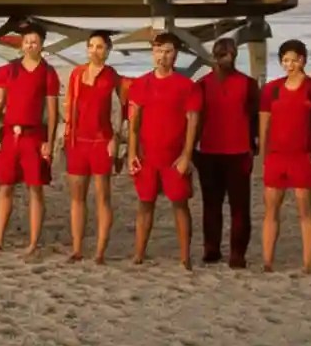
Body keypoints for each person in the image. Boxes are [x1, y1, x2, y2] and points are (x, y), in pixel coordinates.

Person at [126, 32, 202, 269]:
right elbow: (134, 123)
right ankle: (139, 253)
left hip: (174, 157)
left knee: (179, 204)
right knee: (145, 203)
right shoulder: (140, 84)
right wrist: (131, 154)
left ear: (175, 54)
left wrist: (186, 156)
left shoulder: (187, 86)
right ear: (153, 53)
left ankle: (184, 256)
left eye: (167, 51)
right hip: (148, 156)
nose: (162, 56)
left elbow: (193, 122)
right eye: (158, 51)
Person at [259, 39, 311, 274]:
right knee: (271, 210)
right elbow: (264, 122)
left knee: (304, 210)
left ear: (303, 60)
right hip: (276, 157)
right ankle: (267, 262)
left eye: (294, 60)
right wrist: (263, 153)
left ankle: (308, 263)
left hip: (302, 157)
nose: (289, 64)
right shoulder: (272, 89)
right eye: (285, 60)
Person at [0, 23, 60, 256]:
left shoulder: (48, 72)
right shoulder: (9, 70)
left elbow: (52, 111)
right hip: (10, 135)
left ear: (41, 45)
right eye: (27, 41)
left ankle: (33, 242)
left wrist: (49, 141)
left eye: (35, 42)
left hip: (34, 136)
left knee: (35, 189)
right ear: (22, 44)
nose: (31, 45)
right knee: (4, 187)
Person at [194, 38, 260, 268]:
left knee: (239, 206)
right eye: (222, 53)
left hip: (239, 152)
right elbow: (195, 119)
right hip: (208, 152)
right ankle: (211, 249)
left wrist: (254, 146)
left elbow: (255, 119)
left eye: (230, 53)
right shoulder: (202, 84)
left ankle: (237, 253)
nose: (226, 57)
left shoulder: (248, 84)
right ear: (214, 56)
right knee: (211, 204)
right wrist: (192, 149)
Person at [62, 31, 123, 263]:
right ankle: (77, 249)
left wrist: (116, 139)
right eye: (92, 46)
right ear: (87, 49)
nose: (95, 51)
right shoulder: (76, 74)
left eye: (100, 47)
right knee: (77, 197)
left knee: (102, 197)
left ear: (108, 50)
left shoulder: (112, 76)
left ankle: (99, 252)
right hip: (78, 141)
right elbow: (69, 108)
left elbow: (120, 111)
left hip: (101, 141)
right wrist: (66, 138)